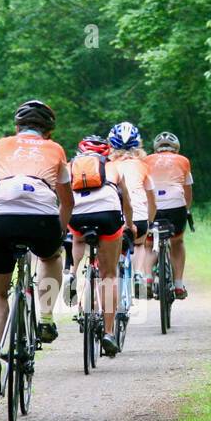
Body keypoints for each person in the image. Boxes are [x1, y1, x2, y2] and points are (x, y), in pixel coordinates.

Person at [0, 100, 73, 399]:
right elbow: (67, 201)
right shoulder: (55, 149)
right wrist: (58, 233)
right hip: (41, 210)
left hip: (0, 213)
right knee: (50, 256)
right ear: (49, 130)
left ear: (17, 127)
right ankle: (45, 318)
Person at [65, 134, 133, 357]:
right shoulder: (113, 167)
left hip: (77, 213)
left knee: (76, 236)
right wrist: (130, 226)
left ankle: (72, 272)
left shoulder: (70, 166)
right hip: (108, 213)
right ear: (106, 153)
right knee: (109, 275)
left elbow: (62, 197)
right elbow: (127, 203)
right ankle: (109, 332)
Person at [105, 122, 155, 298]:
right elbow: (151, 197)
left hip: (111, 216)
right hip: (138, 216)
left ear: (110, 144)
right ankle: (139, 273)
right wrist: (150, 221)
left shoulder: (107, 164)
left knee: (111, 251)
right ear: (137, 144)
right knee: (140, 243)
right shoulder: (143, 165)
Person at [144, 130, 193, 299]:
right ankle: (178, 285)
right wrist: (186, 210)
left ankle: (148, 280)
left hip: (152, 206)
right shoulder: (183, 161)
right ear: (176, 148)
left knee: (148, 244)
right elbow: (187, 192)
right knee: (177, 241)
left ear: (156, 148)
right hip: (175, 206)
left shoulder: (145, 160)